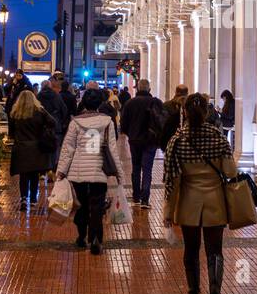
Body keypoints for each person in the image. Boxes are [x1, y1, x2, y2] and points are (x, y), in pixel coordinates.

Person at [163, 92, 237, 294]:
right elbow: (230, 172)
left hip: (188, 204)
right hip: (215, 202)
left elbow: (171, 180)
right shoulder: (217, 137)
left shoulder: (178, 140)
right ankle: (215, 289)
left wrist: (168, 211)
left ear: (184, 112)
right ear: (206, 112)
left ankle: (194, 292)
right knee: (215, 250)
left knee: (191, 250)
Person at [56, 87, 123, 254]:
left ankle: (81, 237)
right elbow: (113, 150)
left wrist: (61, 171)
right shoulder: (107, 122)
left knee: (82, 206)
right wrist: (119, 174)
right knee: (97, 207)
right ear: (99, 103)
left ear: (84, 103)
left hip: (78, 174)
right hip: (99, 172)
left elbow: (68, 149)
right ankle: (96, 238)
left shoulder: (75, 122)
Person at [120, 77, 164, 208]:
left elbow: (124, 124)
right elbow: (161, 122)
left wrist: (131, 133)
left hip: (135, 140)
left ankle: (136, 197)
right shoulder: (156, 102)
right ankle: (145, 199)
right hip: (150, 141)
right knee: (147, 169)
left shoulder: (130, 103)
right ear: (149, 89)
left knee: (136, 167)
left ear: (138, 88)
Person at [9, 88, 56, 208]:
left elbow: (11, 133)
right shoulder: (39, 112)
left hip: (21, 147)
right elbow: (52, 122)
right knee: (34, 174)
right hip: (36, 147)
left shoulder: (15, 114)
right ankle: (34, 198)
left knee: (23, 175)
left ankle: (24, 198)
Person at [39, 75, 69, 167]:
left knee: (42, 146)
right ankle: (53, 167)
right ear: (50, 86)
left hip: (42, 126)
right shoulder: (57, 96)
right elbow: (64, 110)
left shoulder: (38, 96)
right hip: (56, 126)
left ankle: (43, 167)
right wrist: (61, 121)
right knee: (55, 147)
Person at [159, 84, 188, 150]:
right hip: (185, 139)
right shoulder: (190, 106)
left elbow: (162, 122)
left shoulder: (166, 105)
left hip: (170, 139)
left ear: (175, 92)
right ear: (187, 93)